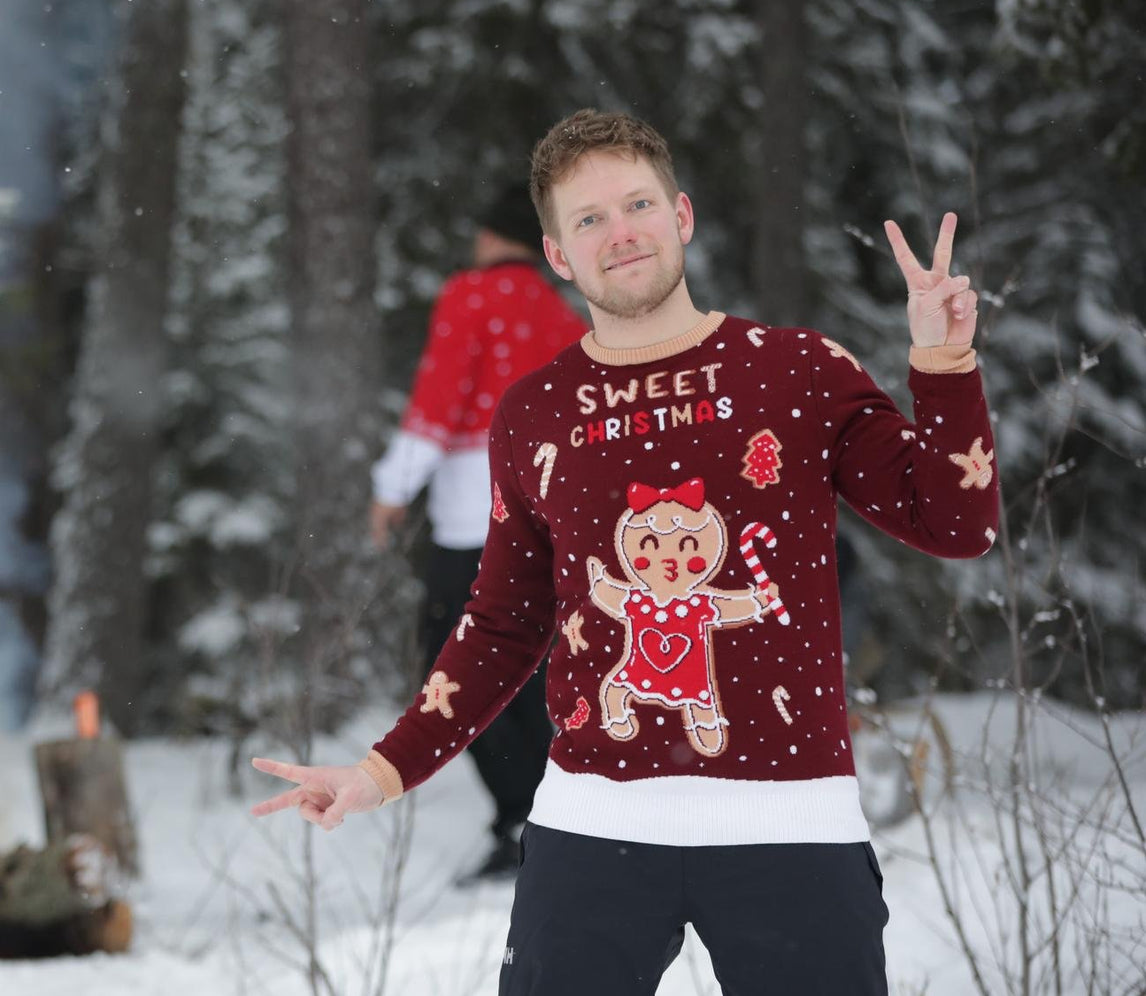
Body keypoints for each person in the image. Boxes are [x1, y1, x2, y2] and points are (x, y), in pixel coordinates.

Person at [252, 109, 999, 995]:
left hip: (791, 825)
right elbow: (502, 622)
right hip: (590, 829)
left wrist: (943, 361)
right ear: (558, 254)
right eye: (589, 219)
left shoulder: (795, 370)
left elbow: (956, 525)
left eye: (637, 204)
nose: (621, 233)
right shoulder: (535, 413)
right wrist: (384, 770)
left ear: (681, 216)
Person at [369, 184, 589, 881]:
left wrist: (392, 487)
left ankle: (524, 816)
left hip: (475, 514)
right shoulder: (561, 310)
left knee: (454, 667)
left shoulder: (472, 295)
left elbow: (440, 397)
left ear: (492, 235)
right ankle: (553, 815)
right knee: (528, 669)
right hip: (553, 513)